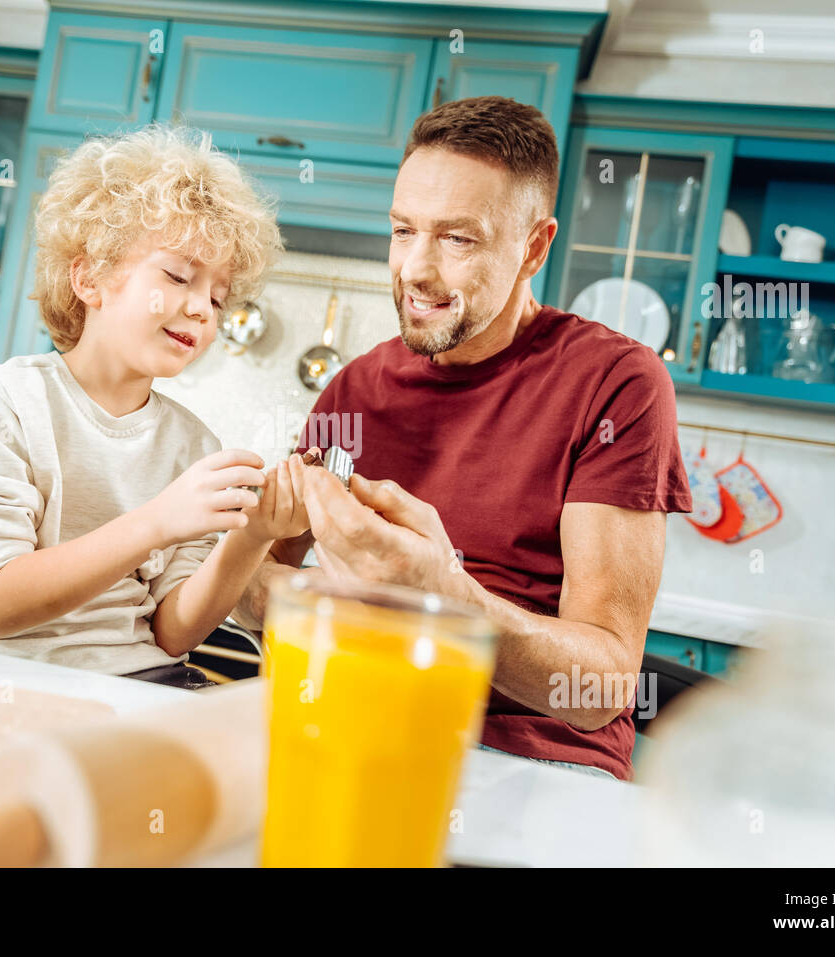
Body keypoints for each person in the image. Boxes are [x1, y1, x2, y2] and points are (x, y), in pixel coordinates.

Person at [237, 97, 693, 781]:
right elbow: (246, 582)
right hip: (363, 727)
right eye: (402, 231)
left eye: (458, 239)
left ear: (535, 246)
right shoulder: (355, 389)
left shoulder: (618, 382)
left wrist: (445, 595)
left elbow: (602, 688)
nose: (415, 269)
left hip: (531, 758)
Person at [0, 124, 308, 680]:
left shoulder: (192, 446)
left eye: (218, 297)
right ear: (90, 279)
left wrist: (252, 536)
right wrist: (156, 522)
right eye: (178, 276)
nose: (202, 310)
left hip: (133, 686)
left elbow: (173, 633)